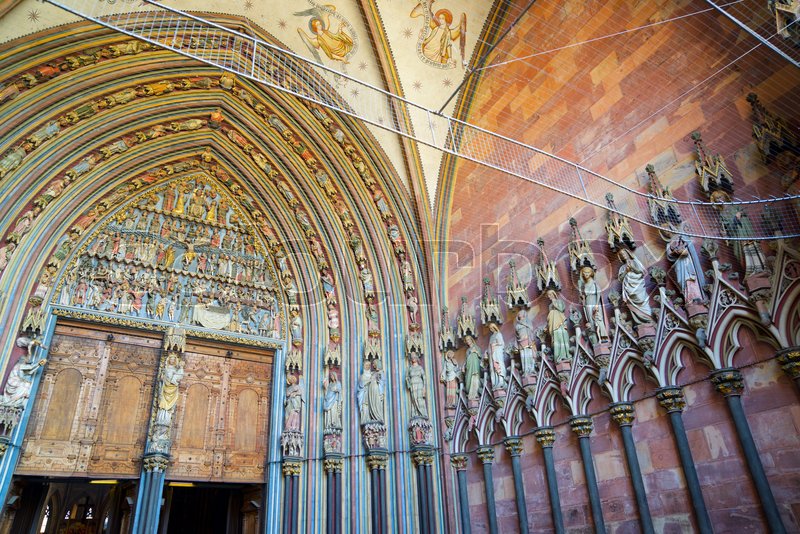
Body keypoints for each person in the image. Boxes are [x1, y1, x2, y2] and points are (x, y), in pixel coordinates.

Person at [0, 337, 46, 408]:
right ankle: (11, 401)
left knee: (26, 384)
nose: (27, 360)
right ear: (22, 360)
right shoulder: (20, 365)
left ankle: (13, 401)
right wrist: (39, 364)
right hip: (13, 382)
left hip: (17, 381)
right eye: (26, 359)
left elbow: (30, 371)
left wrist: (39, 364)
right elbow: (30, 368)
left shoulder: (21, 365)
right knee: (25, 385)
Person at [618, 249, 653, 325]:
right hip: (629, 288)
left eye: (624, 253)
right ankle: (640, 321)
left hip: (637, 285)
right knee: (632, 303)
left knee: (641, 298)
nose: (623, 255)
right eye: (621, 254)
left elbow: (641, 272)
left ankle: (648, 316)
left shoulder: (635, 262)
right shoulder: (622, 268)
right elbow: (620, 279)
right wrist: (626, 271)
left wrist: (632, 268)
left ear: (628, 253)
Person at [156, 353, 185, 425]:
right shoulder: (165, 368)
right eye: (171, 359)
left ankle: (166, 420)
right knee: (162, 404)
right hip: (165, 388)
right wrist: (163, 379)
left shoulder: (176, 369)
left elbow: (179, 376)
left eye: (174, 359)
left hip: (173, 388)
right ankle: (161, 419)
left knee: (170, 406)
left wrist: (181, 368)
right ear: (168, 360)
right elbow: (162, 378)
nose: (172, 360)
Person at [546, 290, 571, 364]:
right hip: (553, 324)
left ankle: (565, 355)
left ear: (553, 294)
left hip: (560, 323)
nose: (549, 296)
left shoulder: (559, 302)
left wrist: (555, 303)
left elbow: (561, 309)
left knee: (562, 337)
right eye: (548, 295)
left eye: (550, 295)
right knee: (556, 339)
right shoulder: (550, 306)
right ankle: (558, 357)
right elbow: (550, 316)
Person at [406, 354, 428, 418]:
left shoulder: (420, 368)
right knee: (414, 399)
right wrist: (409, 384)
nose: (413, 358)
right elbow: (407, 377)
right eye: (412, 357)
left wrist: (424, 387)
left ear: (417, 358)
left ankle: (422, 414)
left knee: (419, 398)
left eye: (414, 357)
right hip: (413, 385)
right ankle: (415, 413)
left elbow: (424, 377)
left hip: (419, 384)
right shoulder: (409, 368)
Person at [487, 323, 506, 389]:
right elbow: (489, 346)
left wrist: (495, 344)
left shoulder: (498, 334)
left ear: (495, 327)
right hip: (492, 354)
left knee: (498, 366)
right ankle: (496, 381)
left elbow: (502, 344)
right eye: (490, 328)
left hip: (497, 353)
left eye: (492, 328)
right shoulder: (491, 337)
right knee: (494, 368)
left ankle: (501, 381)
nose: (491, 329)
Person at [463, 336, 481, 400]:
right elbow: (466, 359)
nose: (468, 341)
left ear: (471, 340)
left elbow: (480, 356)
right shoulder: (467, 350)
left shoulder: (477, 347)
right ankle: (470, 394)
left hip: (475, 365)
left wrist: (476, 352)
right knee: (469, 380)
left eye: (468, 339)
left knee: (475, 377)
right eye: (466, 340)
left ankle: (475, 394)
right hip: (469, 367)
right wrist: (463, 366)